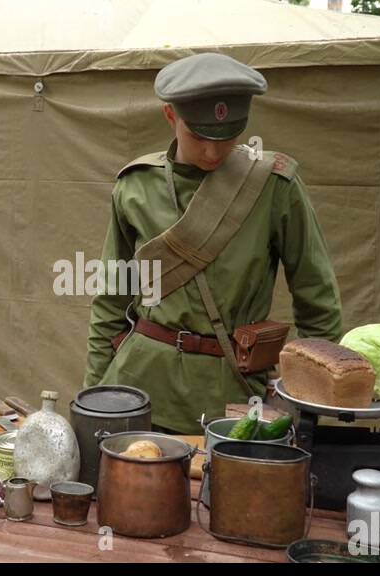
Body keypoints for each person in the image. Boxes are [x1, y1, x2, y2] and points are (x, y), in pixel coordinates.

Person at [84, 52, 343, 434]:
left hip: (234, 395)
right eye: (198, 135)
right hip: (138, 389)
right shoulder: (135, 187)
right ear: (171, 117)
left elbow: (317, 300)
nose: (211, 152)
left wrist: (313, 407)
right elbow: (112, 296)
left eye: (227, 137)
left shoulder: (274, 186)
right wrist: (94, 396)